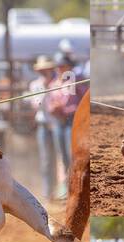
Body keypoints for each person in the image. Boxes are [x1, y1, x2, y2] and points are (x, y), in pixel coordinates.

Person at [47, 53, 80, 200]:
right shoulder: (53, 84)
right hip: (59, 122)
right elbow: (49, 103)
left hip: (71, 120)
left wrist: (65, 108)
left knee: (71, 153)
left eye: (63, 66)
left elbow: (82, 101)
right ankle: (67, 187)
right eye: (58, 66)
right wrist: (53, 108)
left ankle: (73, 187)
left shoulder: (76, 82)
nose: (60, 68)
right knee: (63, 156)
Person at [28, 55, 60, 199]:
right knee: (47, 160)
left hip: (57, 124)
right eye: (43, 70)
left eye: (47, 69)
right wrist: (47, 89)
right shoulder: (35, 85)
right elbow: (37, 105)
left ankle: (61, 190)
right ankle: (49, 192)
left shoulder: (59, 83)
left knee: (61, 158)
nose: (45, 72)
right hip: (43, 125)